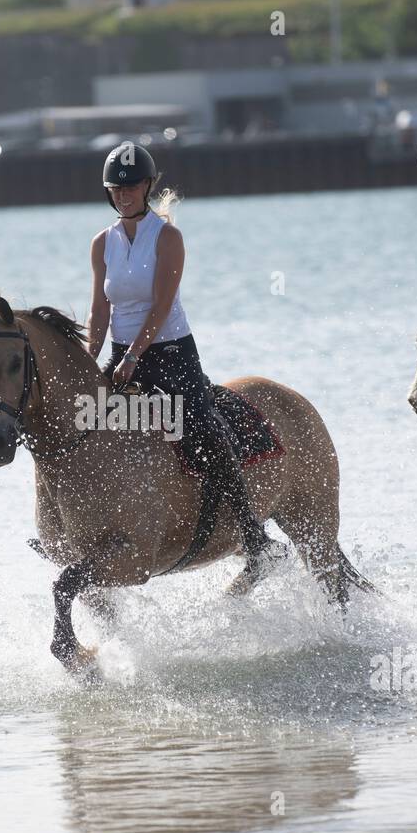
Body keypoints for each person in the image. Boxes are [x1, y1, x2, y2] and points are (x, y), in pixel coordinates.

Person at [85, 141, 285, 572]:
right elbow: (100, 309)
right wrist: (89, 360)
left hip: (170, 351)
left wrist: (135, 356)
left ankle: (253, 534)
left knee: (199, 426)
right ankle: (80, 530)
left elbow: (161, 305)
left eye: (131, 187)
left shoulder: (168, 238)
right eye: (116, 189)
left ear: (148, 187)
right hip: (123, 353)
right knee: (86, 421)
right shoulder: (102, 243)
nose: (123, 195)